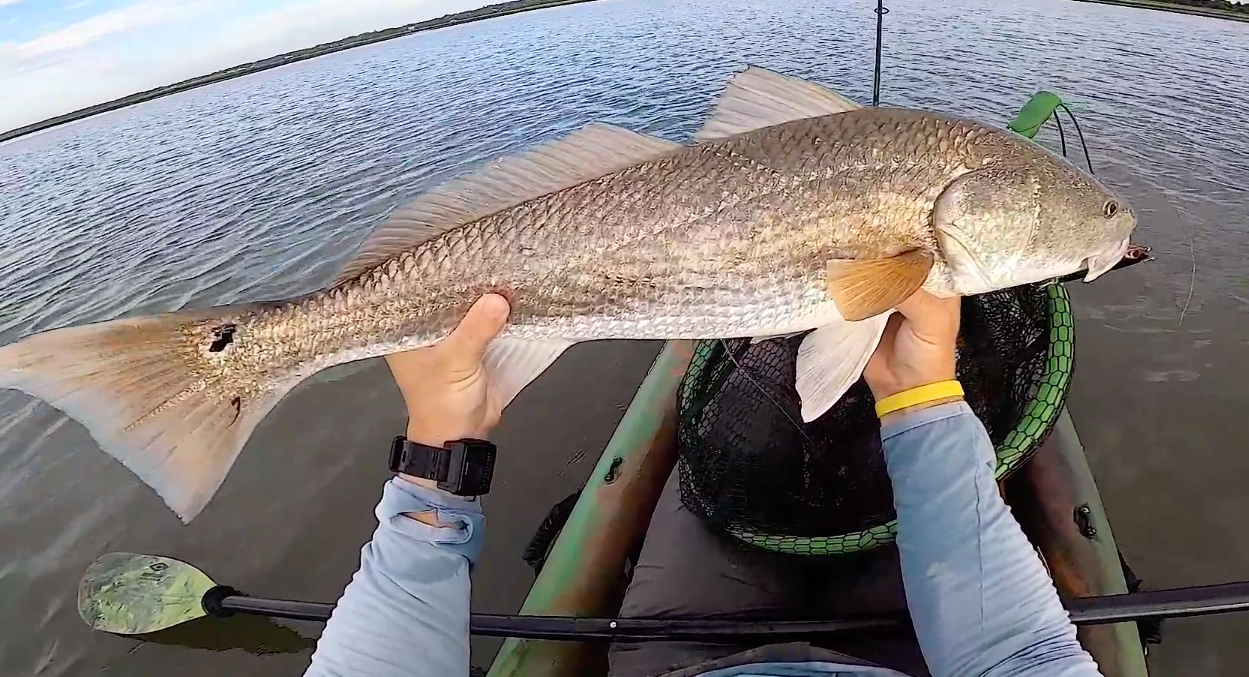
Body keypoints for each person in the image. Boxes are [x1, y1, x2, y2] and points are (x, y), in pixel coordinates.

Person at [303, 292, 1104, 677]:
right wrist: (919, 394)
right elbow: (1022, 654)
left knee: (708, 492)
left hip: (678, 657)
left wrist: (442, 454)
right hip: (924, 653)